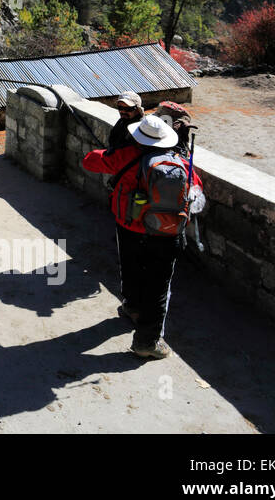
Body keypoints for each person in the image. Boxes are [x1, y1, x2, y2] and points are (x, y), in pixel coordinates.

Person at [79, 114, 203, 360]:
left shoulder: (127, 156)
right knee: (159, 285)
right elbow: (196, 196)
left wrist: (118, 148)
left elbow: (89, 161)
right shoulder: (180, 161)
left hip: (129, 226)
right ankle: (149, 338)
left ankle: (135, 312)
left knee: (131, 267)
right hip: (166, 232)